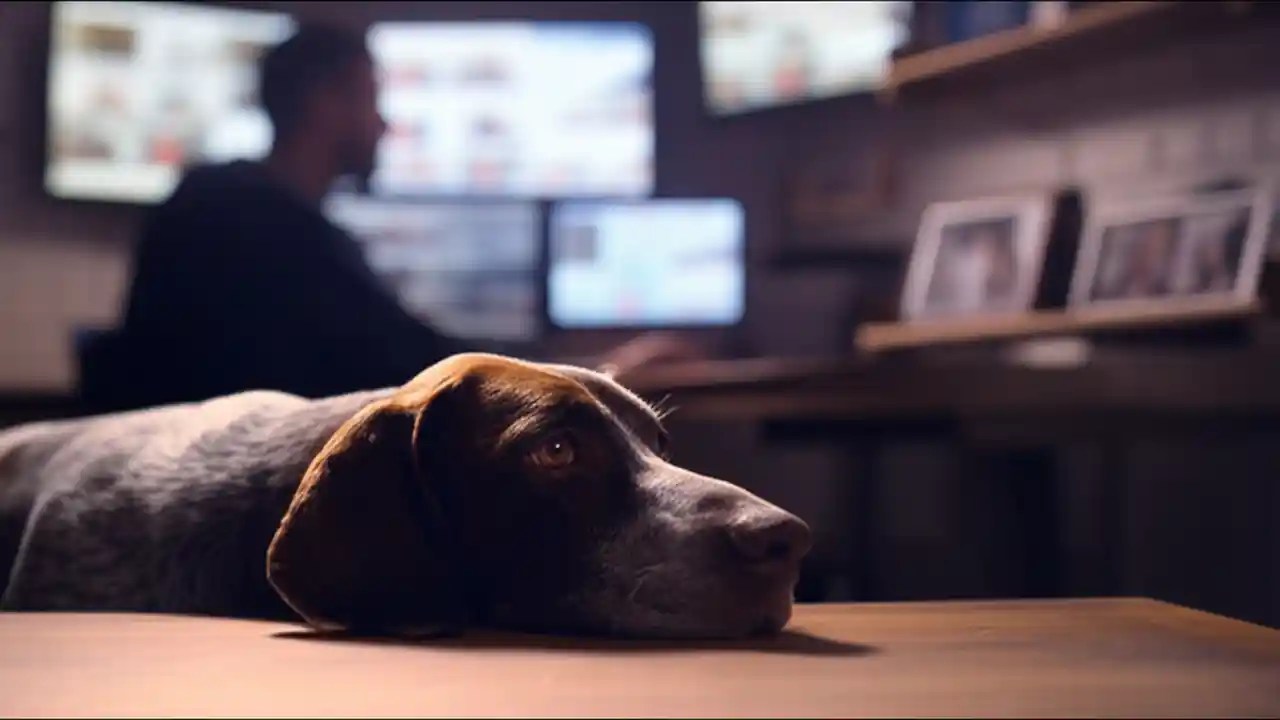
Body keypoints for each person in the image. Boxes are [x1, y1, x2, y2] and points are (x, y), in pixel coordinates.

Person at [88, 24, 692, 410]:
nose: (384, 125)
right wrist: (601, 371)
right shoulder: (266, 222)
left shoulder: (219, 197)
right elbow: (422, 360)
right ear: (327, 103)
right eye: (372, 98)